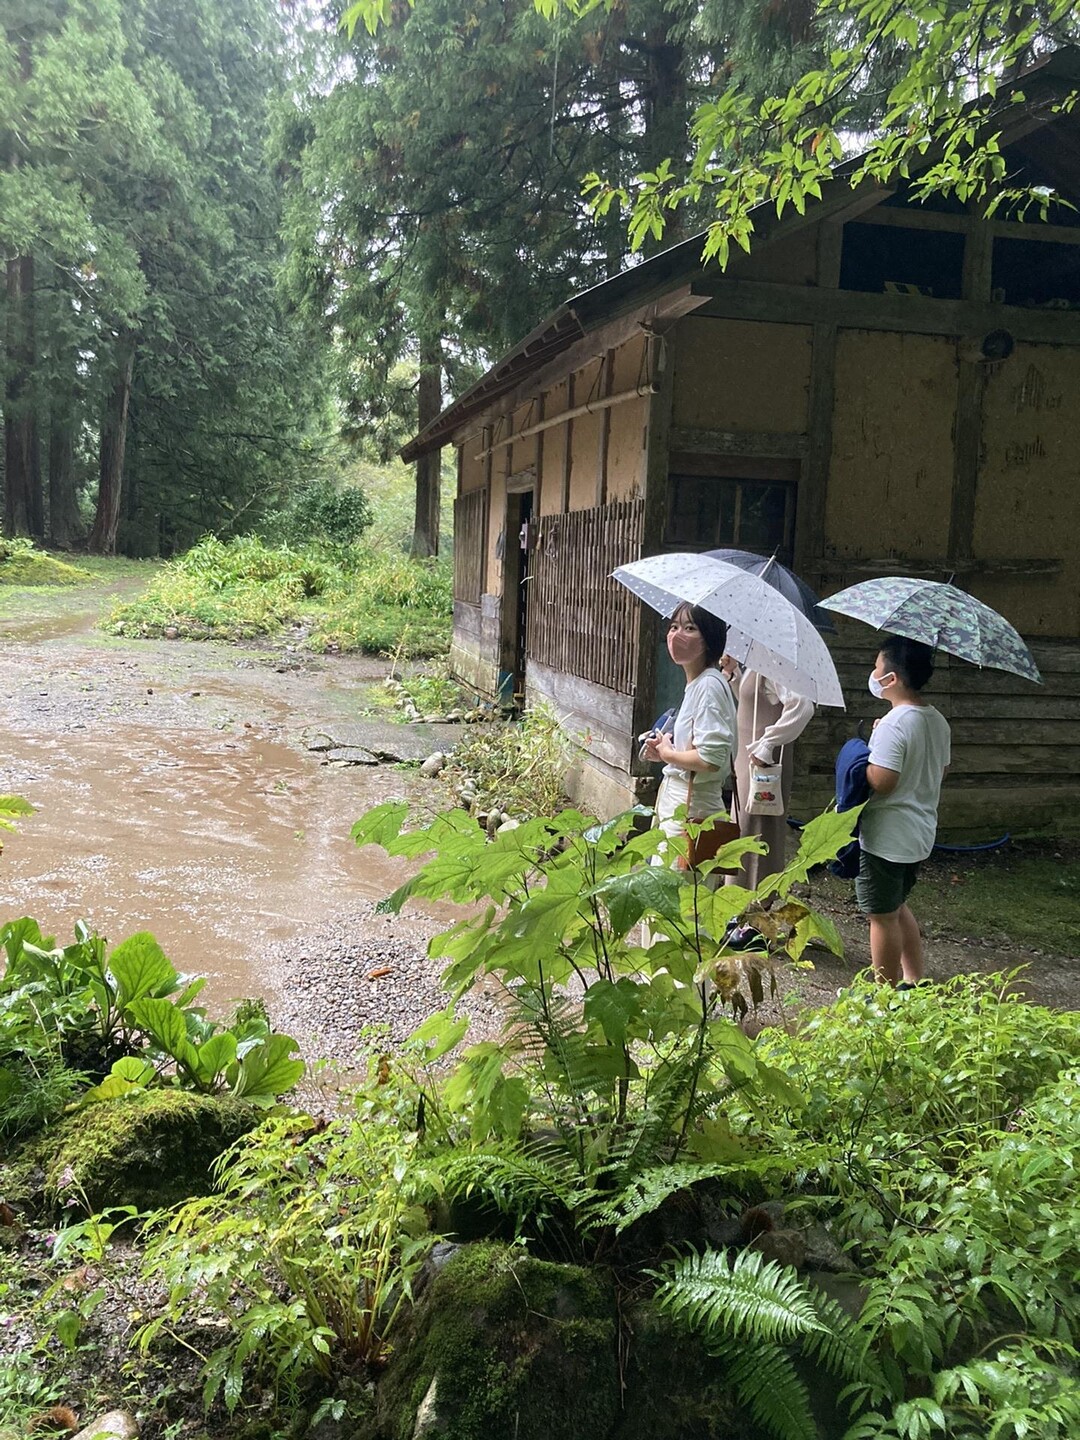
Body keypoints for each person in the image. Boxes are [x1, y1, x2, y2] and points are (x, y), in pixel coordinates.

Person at [857, 635, 951, 987]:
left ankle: (885, 993)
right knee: (897, 905)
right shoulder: (937, 720)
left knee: (880, 916)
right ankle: (914, 978)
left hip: (886, 836)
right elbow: (940, 769)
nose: (873, 673)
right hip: (919, 833)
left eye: (877, 668)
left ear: (891, 679)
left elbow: (882, 781)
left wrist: (861, 759)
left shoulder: (895, 724)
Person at [641, 605, 737, 863]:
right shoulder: (697, 684)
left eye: (690, 628)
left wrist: (670, 754)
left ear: (709, 639)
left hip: (692, 810)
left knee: (680, 894)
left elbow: (710, 759)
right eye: (674, 627)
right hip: (680, 803)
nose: (677, 634)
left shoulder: (708, 686)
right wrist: (665, 751)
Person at [721, 665, 815, 892]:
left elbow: (802, 706)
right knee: (742, 825)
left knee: (757, 828)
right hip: (747, 759)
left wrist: (768, 743)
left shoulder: (777, 663)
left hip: (761, 763)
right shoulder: (758, 661)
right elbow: (755, 702)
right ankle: (739, 900)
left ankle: (755, 903)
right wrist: (735, 676)